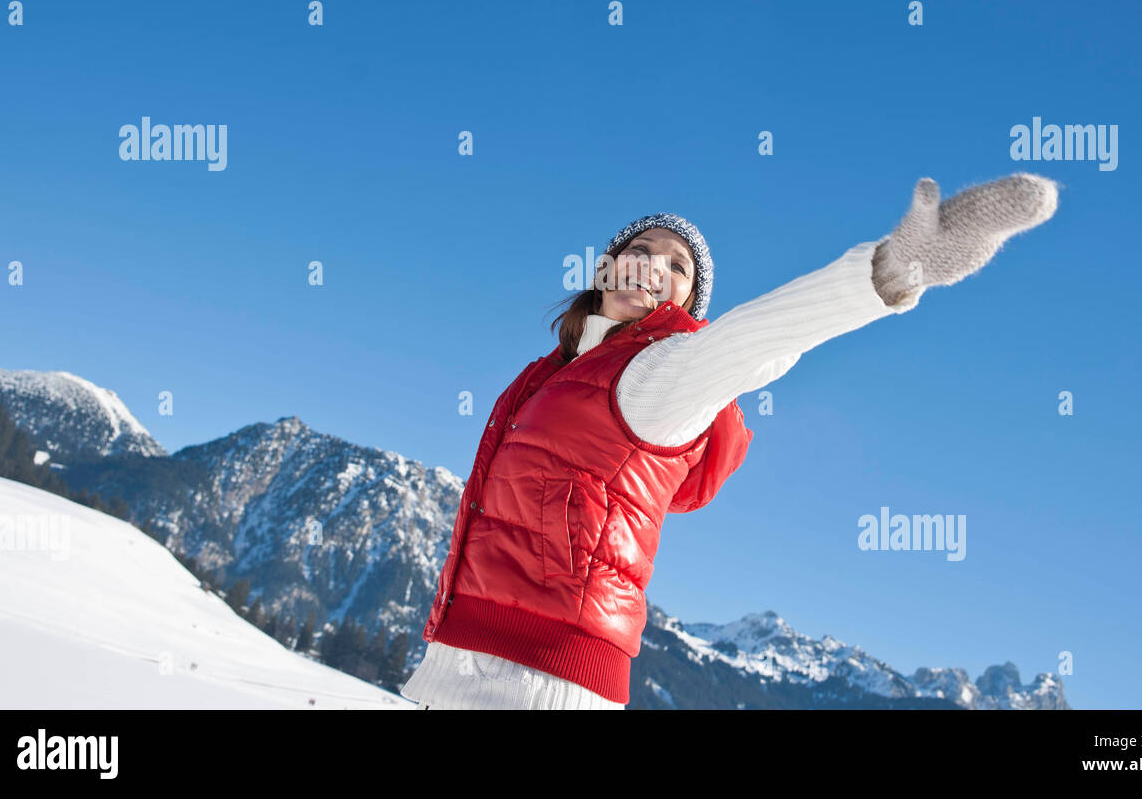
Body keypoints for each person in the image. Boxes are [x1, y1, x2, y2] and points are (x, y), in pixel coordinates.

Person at [399, 172, 1060, 709]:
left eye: (678, 266)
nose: (653, 266)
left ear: (688, 309)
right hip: (464, 657)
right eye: (640, 251)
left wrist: (888, 273)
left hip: (539, 682)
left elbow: (755, 341)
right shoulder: (548, 376)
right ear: (606, 268)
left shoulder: (660, 374)